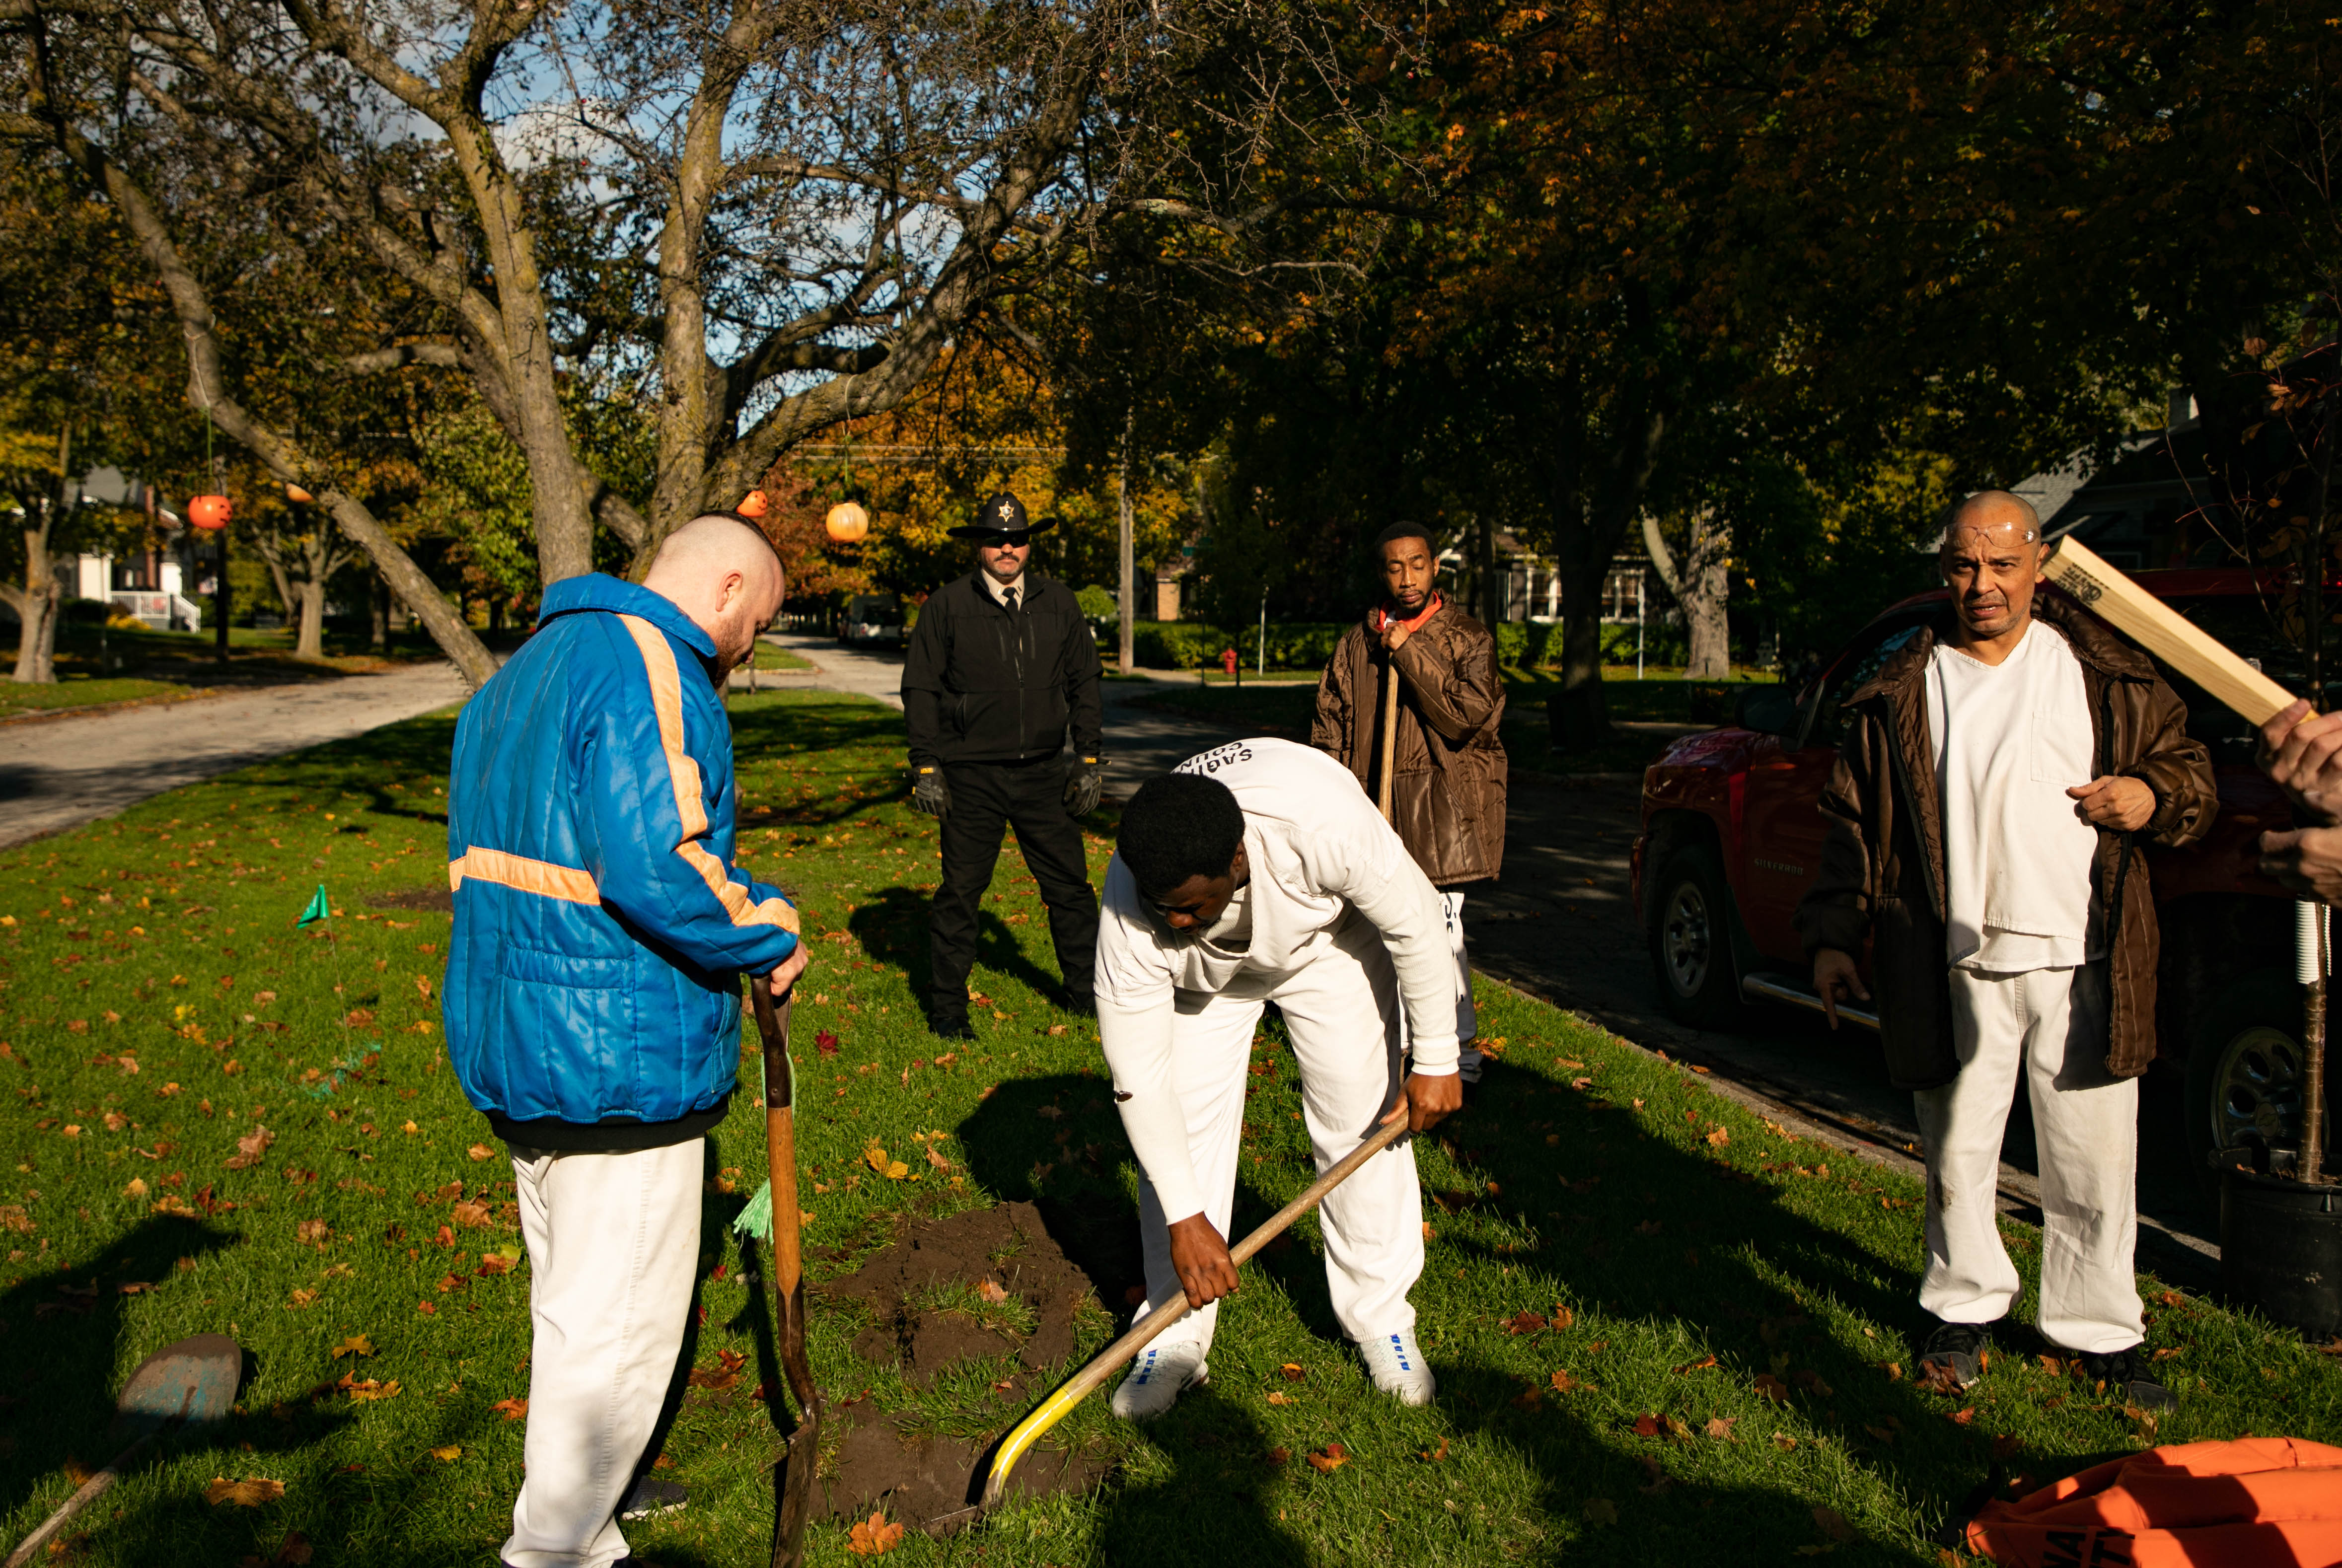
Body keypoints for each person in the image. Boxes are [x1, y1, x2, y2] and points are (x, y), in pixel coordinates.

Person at [444, 514, 812, 1568]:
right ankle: (551, 1551)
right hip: (616, 1051)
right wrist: (767, 925)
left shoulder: (526, 668)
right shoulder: (645, 661)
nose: (751, 645)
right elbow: (656, 858)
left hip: (524, 1040)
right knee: (614, 1333)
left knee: (572, 1305)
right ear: (729, 585)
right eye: (762, 621)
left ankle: (587, 1527)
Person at [1796, 491, 2216, 1411]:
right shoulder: (1901, 688)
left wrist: (2149, 792)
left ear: (2039, 564)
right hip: (1948, 958)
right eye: (1962, 565)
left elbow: (2190, 771)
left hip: (2083, 952)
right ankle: (1961, 1307)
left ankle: (2099, 1328)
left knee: (2094, 1160)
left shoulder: (2105, 671)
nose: (1981, 584)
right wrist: (1834, 936)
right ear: (1943, 569)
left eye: (2001, 563)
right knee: (1957, 1151)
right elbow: (1851, 824)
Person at [1095, 738, 1462, 1419]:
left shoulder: (1318, 822)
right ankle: (1172, 1332)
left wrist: (1437, 1055)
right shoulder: (1136, 895)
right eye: (1161, 906)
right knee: (1183, 1134)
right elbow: (1137, 1070)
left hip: (1328, 944)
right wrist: (1186, 1214)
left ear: (1235, 860)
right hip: (1204, 982)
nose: (1171, 920)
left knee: (1361, 1123)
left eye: (1188, 905)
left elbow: (1416, 921)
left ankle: (1382, 1320)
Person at [902, 492, 1107, 1038]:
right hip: (971, 776)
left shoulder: (1059, 602)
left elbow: (1084, 682)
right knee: (961, 894)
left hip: (1044, 773)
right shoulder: (946, 606)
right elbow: (920, 688)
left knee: (1070, 889)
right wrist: (925, 766)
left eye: (1016, 538)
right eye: (995, 539)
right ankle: (948, 1011)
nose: (1007, 547)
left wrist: (1087, 758)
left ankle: (1087, 996)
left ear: (1029, 543)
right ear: (979, 546)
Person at [1311, 520, 1506, 1080]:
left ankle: (1460, 1056)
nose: (1407, 578)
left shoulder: (1467, 638)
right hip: (1373, 812)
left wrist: (1408, 648)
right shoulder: (1356, 644)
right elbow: (1330, 726)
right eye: (1395, 567)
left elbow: (1466, 715)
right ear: (1382, 572)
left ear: (1436, 566)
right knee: (1374, 936)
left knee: (1441, 937)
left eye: (1417, 564)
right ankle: (1391, 1050)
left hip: (1443, 814)